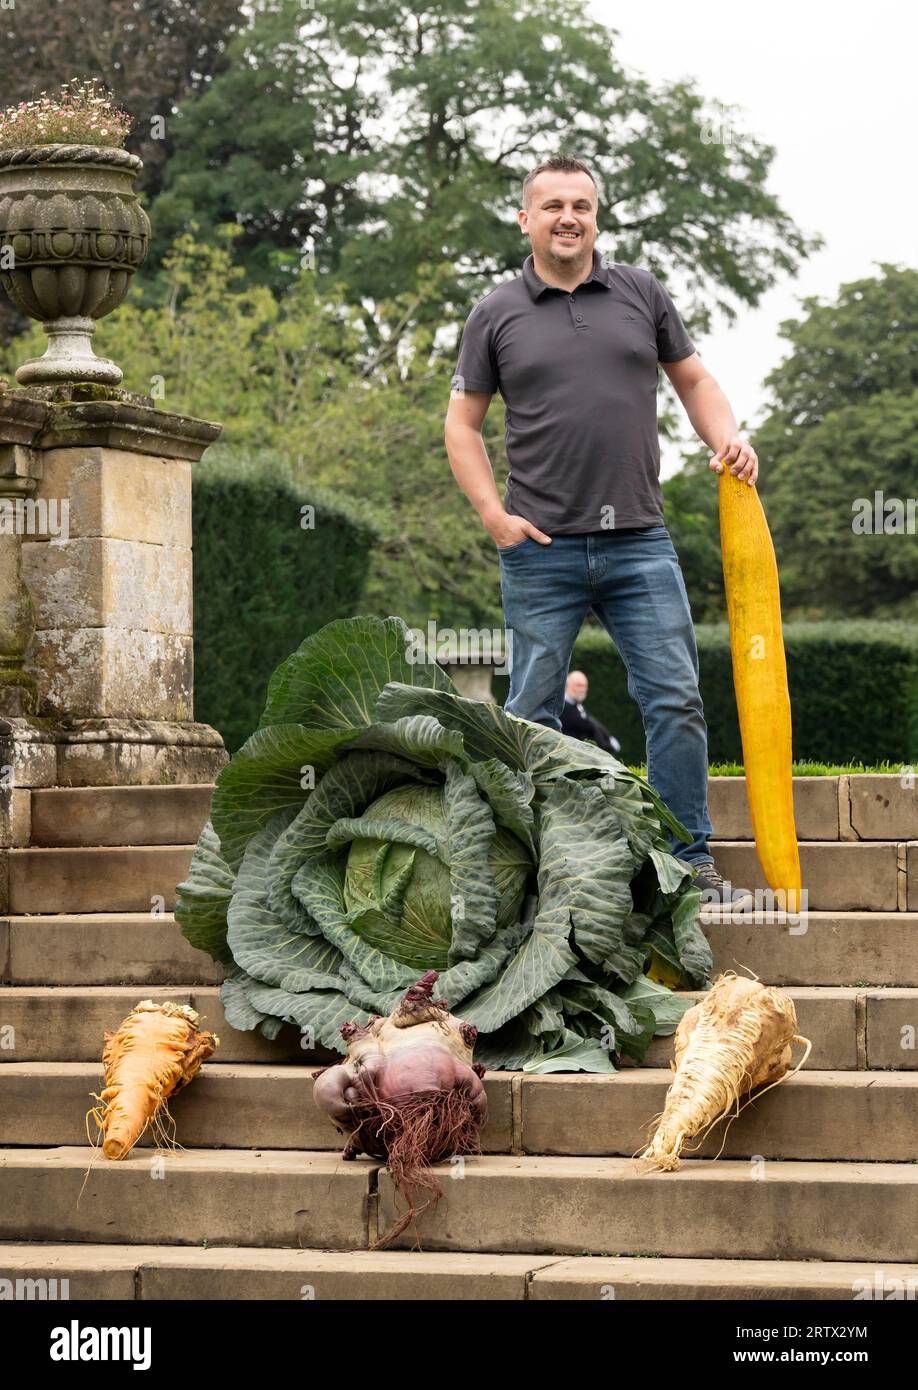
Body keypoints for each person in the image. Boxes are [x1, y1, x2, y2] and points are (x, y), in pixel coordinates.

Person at [444, 154, 755, 909]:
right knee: (532, 713)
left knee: (675, 699)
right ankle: (539, 873)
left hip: (640, 542)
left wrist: (729, 438)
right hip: (540, 549)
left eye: (581, 204)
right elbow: (462, 424)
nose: (567, 217)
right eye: (551, 205)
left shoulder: (639, 292)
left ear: (595, 216)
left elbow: (694, 381)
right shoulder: (496, 312)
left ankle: (690, 865)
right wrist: (494, 514)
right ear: (525, 219)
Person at [560, 670, 621, 756]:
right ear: (567, 686)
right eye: (578, 685)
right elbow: (589, 727)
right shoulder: (563, 708)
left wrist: (608, 737)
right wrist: (608, 744)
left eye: (584, 686)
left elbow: (593, 723)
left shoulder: (578, 706)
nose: (582, 689)